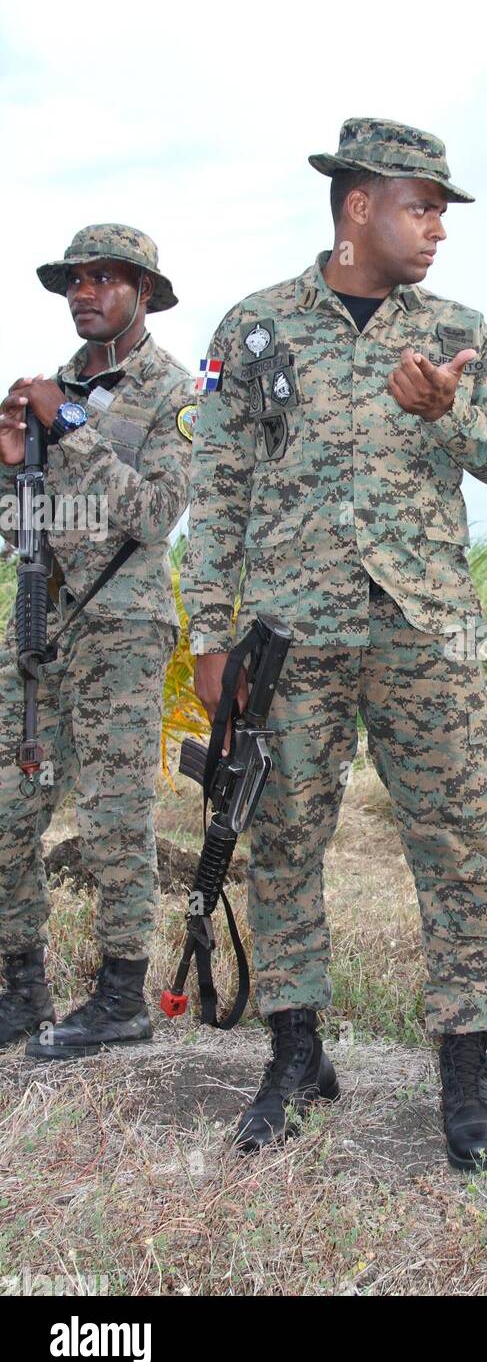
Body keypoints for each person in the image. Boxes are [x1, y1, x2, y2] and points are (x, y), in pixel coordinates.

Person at [183, 118, 487, 1168]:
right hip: (290, 631)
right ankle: (294, 1058)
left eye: (438, 210)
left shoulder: (457, 327)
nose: (435, 228)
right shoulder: (253, 328)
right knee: (283, 837)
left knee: (455, 843)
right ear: (358, 207)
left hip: (424, 627)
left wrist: (445, 415)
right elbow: (218, 489)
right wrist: (210, 633)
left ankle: (465, 1073)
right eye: (420, 207)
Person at [0, 224, 191, 1058]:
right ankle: (21, 989)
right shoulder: (52, 387)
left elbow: (154, 516)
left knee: (115, 817)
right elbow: (19, 533)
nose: (85, 293)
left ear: (143, 292)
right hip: (42, 621)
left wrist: (67, 424)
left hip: (121, 627)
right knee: (8, 809)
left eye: (105, 279)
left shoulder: (176, 393)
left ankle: (120, 997)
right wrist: (10, 462)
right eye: (75, 281)